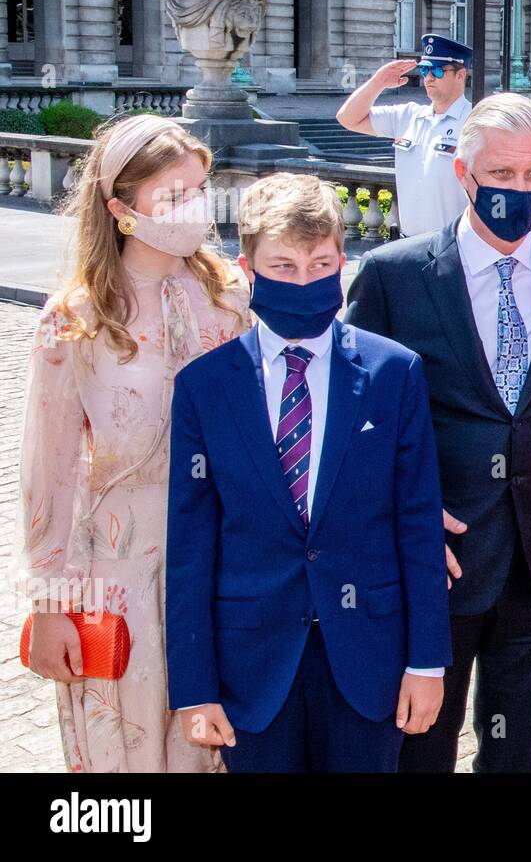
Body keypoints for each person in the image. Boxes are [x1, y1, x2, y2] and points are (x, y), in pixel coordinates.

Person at [344, 92, 531, 773]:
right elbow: (353, 422)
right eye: (502, 175)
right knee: (418, 748)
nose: (520, 191)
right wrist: (408, 516)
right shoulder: (393, 277)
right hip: (439, 558)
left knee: (520, 755)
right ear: (463, 174)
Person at [165, 173, 451, 773]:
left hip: (370, 659)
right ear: (248, 268)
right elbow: (191, 544)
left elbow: (417, 520)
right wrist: (194, 687)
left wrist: (427, 663)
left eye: (321, 264)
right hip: (252, 664)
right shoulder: (204, 387)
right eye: (285, 266)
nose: (305, 280)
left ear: (343, 262)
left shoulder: (392, 372)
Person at [11, 114, 248, 772]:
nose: (195, 207)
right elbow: (48, 474)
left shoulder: (229, 297)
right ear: (120, 209)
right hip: (115, 573)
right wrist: (50, 606)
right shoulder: (75, 319)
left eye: (201, 188)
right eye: (172, 196)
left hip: (226, 563)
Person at [336, 33, 473, 237]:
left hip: (454, 245)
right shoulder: (409, 116)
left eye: (436, 70)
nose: (428, 78)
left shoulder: (475, 120)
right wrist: (378, 82)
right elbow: (348, 118)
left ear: (460, 75)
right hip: (408, 243)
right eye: (425, 70)